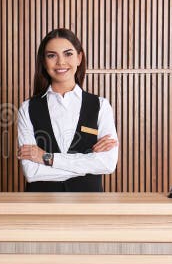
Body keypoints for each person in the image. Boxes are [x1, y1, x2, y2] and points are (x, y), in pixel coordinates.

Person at [16, 28, 118, 192]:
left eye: (68, 54)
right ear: (44, 62)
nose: (61, 62)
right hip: (40, 203)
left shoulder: (101, 106)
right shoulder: (27, 108)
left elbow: (107, 164)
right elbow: (32, 172)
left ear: (79, 58)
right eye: (52, 55)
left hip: (89, 203)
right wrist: (89, 164)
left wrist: (47, 158)